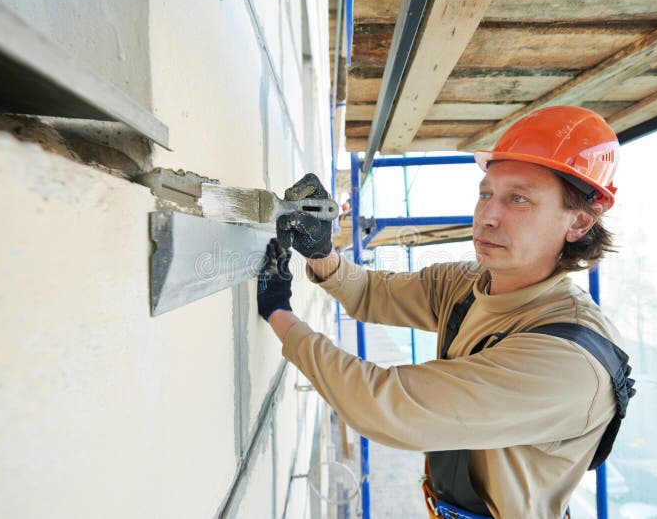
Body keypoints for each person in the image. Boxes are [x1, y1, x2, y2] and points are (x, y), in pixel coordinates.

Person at [256, 106, 636, 519]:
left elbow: (381, 405)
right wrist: (320, 251)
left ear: (578, 224)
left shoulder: (568, 362)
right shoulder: (468, 284)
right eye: (486, 193)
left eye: (519, 199)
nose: (487, 216)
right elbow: (371, 293)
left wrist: (279, 313)